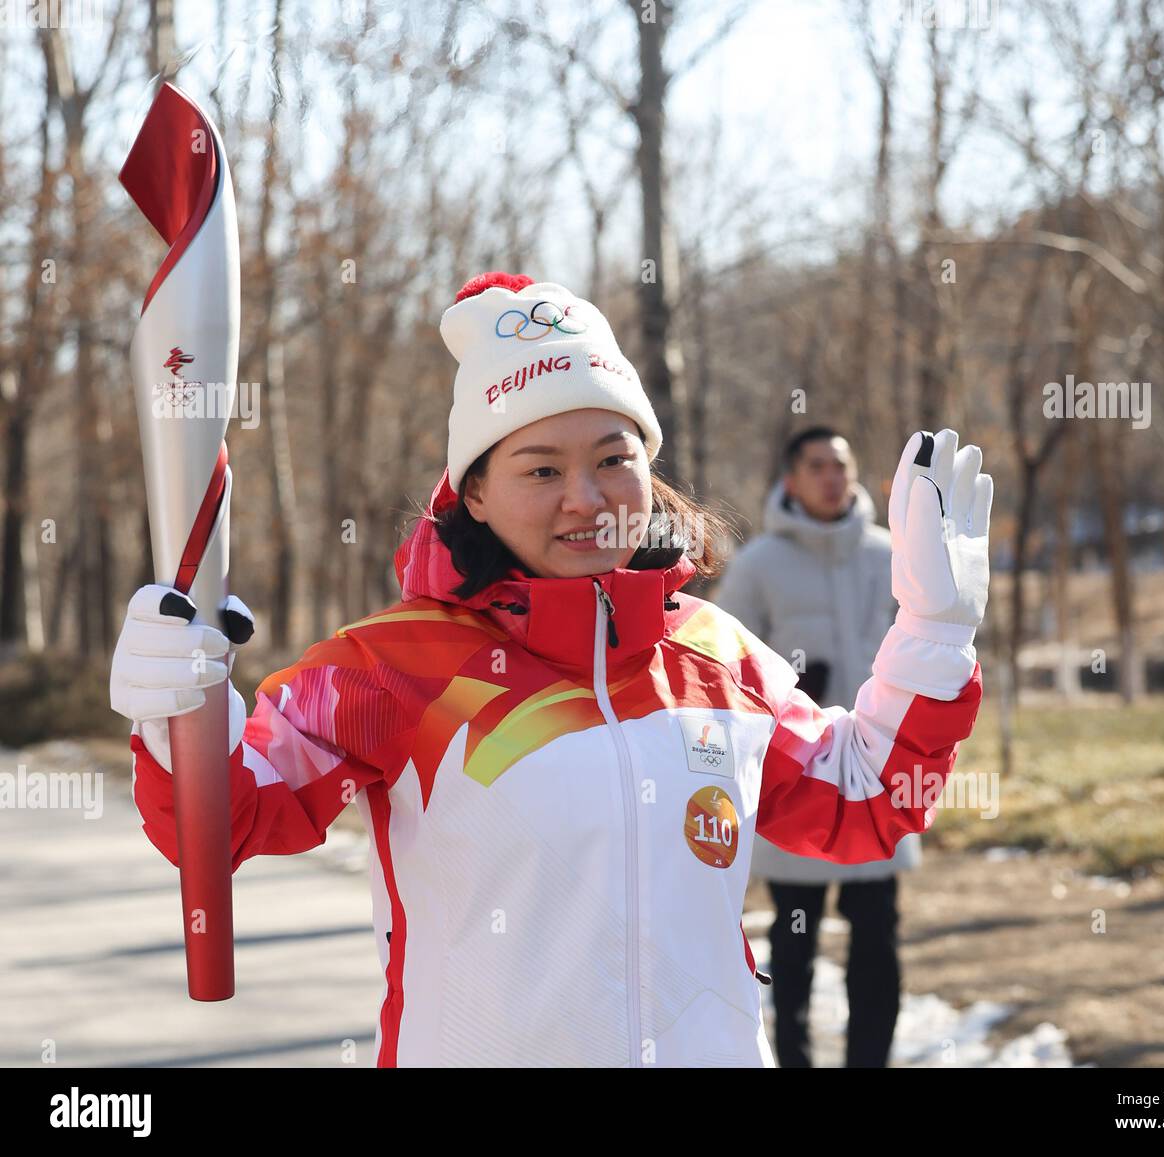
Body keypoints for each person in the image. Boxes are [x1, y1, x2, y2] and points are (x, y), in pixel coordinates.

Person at [109, 270, 993, 1068]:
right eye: (542, 468)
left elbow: (869, 803)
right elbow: (226, 820)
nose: (587, 496)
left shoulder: (715, 656)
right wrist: (179, 707)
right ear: (476, 493)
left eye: (615, 458)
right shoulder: (390, 666)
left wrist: (934, 632)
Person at [714, 426, 913, 1068]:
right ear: (790, 479)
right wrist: (789, 690)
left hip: (878, 776)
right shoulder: (759, 565)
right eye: (817, 466)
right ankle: (793, 1060)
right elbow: (723, 667)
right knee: (794, 943)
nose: (833, 477)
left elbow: (925, 649)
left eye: (842, 465)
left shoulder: (892, 556)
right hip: (798, 781)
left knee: (878, 937)